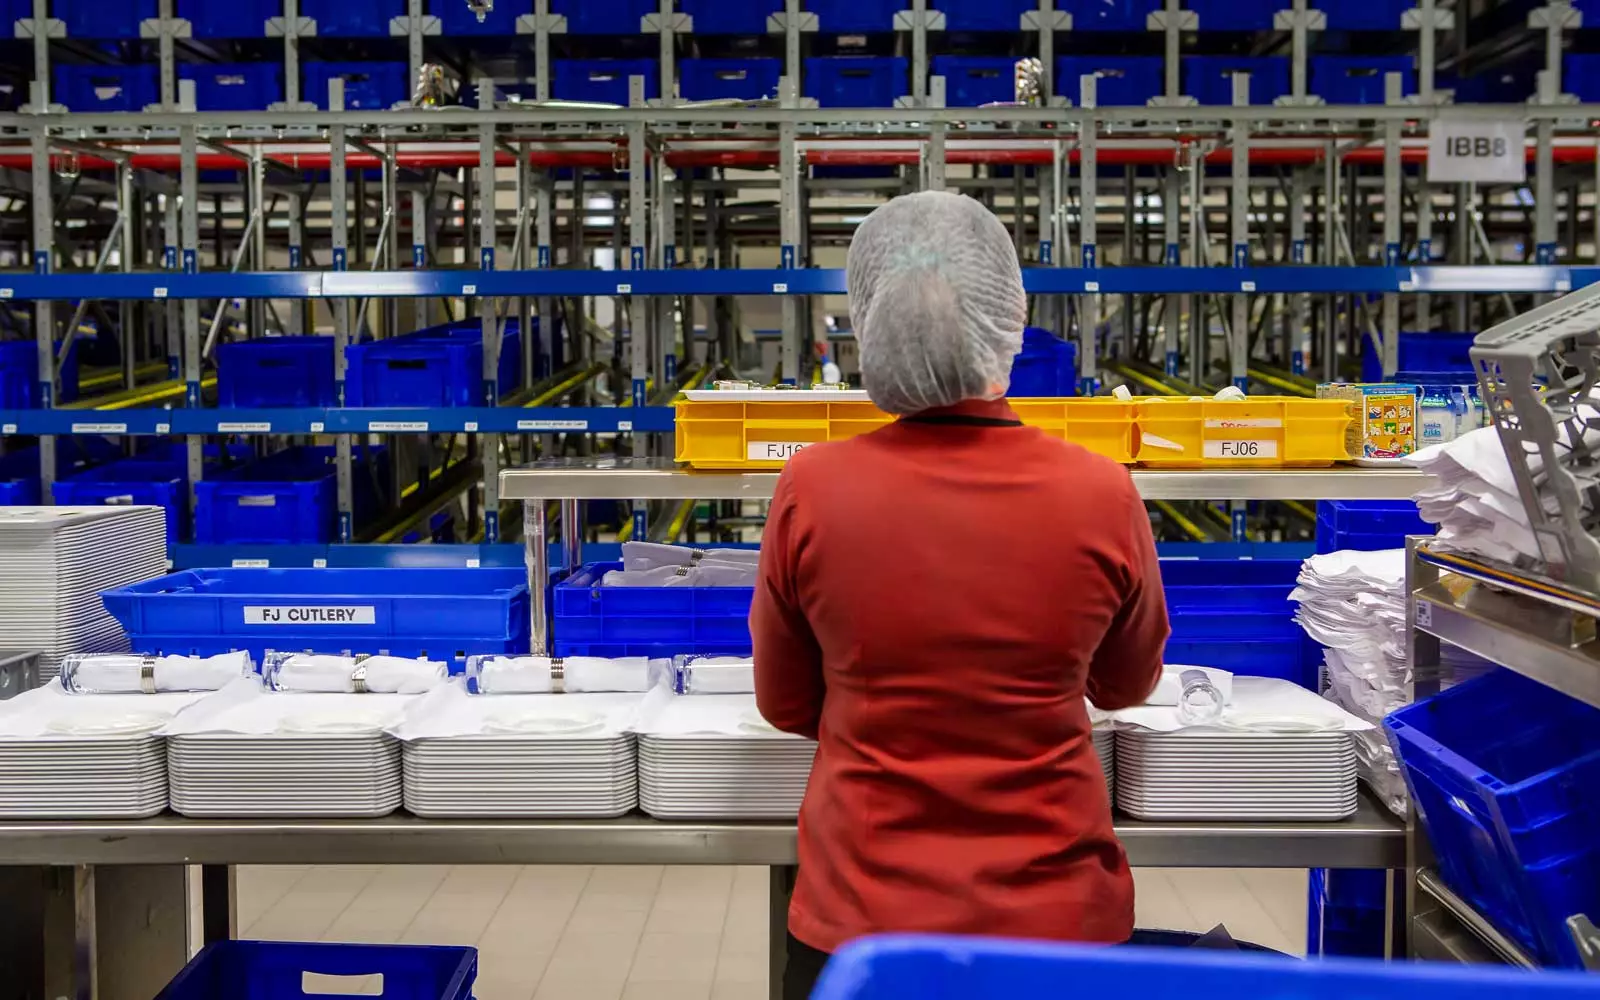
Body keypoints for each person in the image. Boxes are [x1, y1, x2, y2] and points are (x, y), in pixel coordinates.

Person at [750, 191, 1169, 998]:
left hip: (865, 926)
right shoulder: (1100, 491)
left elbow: (785, 701)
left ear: (869, 321)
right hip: (1058, 929)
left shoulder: (811, 488)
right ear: (1010, 317)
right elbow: (1125, 684)